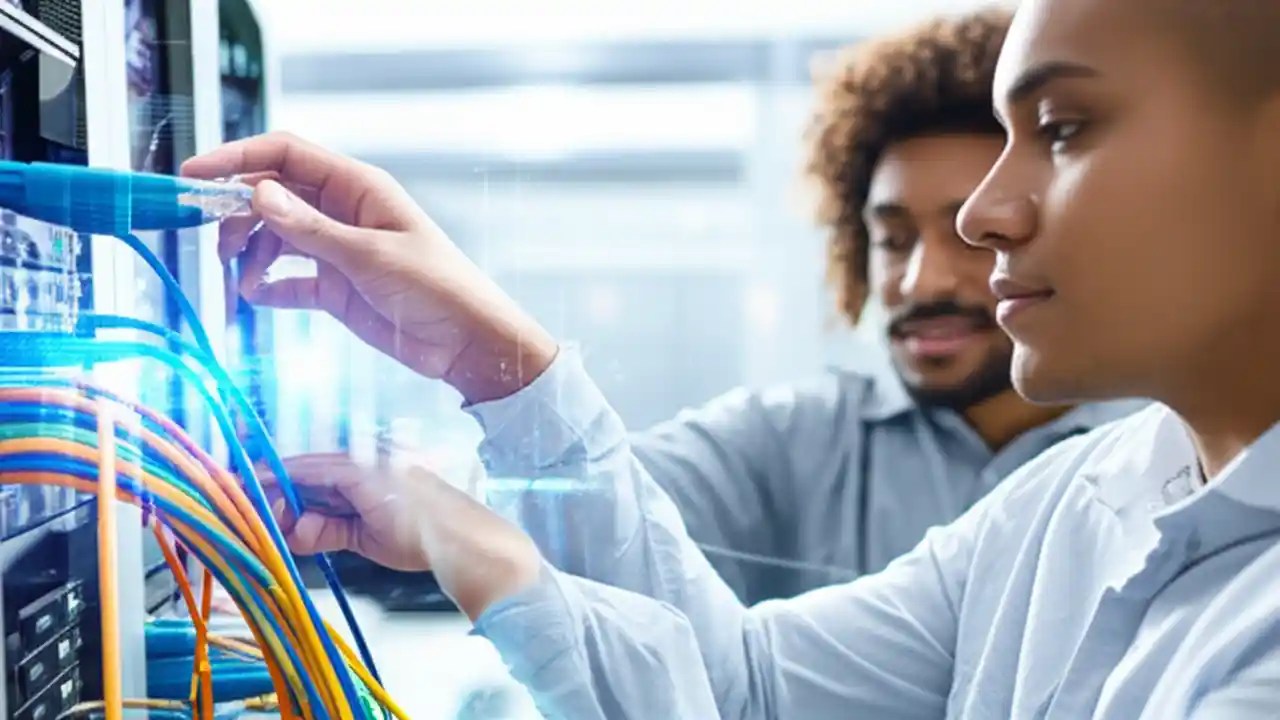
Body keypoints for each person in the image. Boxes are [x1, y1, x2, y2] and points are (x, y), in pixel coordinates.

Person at [184, 0, 1280, 715]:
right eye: (894, 235)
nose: (990, 217)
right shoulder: (1074, 499)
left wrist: (499, 563)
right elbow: (741, 687)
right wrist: (494, 364)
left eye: (1064, 127)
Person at [621, 9, 1139, 602]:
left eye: (973, 237)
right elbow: (596, 497)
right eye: (893, 241)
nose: (922, 282)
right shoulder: (794, 443)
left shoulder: (1163, 439)